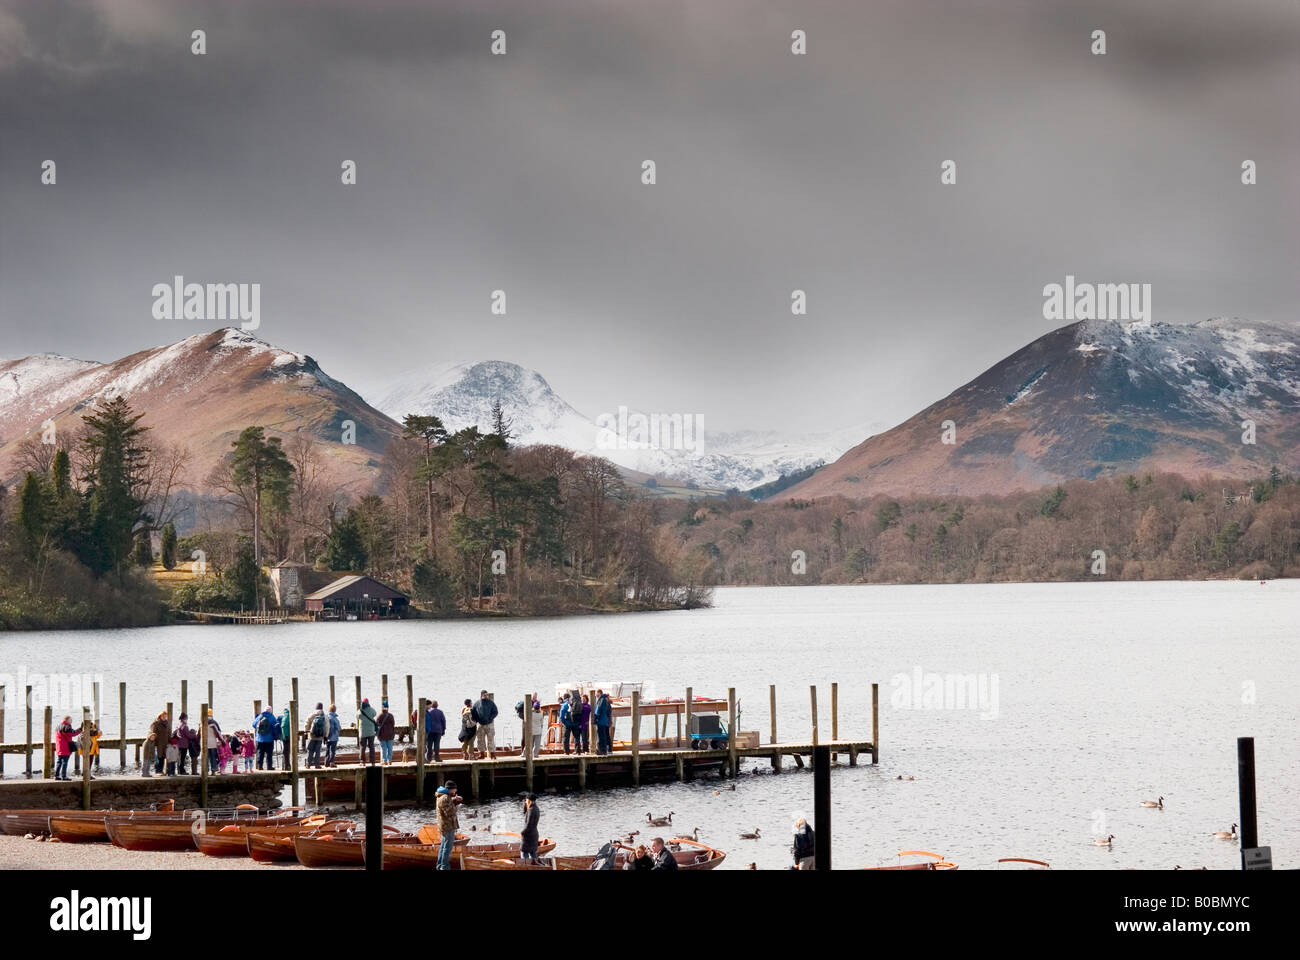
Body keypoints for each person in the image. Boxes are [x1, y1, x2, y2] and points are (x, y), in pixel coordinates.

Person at [435, 780, 463, 870]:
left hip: (444, 826)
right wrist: (457, 805)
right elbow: (450, 813)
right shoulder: (445, 798)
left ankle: (439, 866)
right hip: (448, 826)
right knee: (447, 848)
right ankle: (444, 867)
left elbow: (446, 806)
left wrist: (454, 800)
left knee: (443, 846)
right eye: (455, 789)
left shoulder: (441, 796)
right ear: (450, 789)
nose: (455, 791)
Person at [471, 690, 497, 760]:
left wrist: (490, 718)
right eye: (484, 695)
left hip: (489, 724)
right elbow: (473, 713)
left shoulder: (491, 703)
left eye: (487, 695)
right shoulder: (477, 703)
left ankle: (492, 754)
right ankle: (481, 754)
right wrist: (477, 719)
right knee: (480, 740)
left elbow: (495, 712)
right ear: (481, 695)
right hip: (480, 725)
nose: (486, 696)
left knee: (491, 739)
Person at [252, 705, 277, 770]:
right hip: (269, 739)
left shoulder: (260, 716)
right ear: (271, 711)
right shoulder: (272, 717)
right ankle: (269, 767)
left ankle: (260, 766)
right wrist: (275, 736)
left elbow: (254, 725)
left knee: (260, 753)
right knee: (269, 754)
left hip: (260, 739)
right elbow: (275, 727)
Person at [520, 794, 541, 861]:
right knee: (533, 854)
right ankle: (536, 867)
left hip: (528, 836)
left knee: (524, 853)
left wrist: (522, 832)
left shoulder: (531, 810)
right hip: (534, 835)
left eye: (526, 800)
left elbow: (529, 825)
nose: (525, 802)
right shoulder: (536, 808)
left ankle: (526, 867)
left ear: (529, 800)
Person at [306, 702, 327, 768]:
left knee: (310, 750)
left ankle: (308, 765)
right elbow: (327, 727)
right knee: (318, 751)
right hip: (320, 737)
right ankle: (317, 765)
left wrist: (306, 731)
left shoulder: (312, 715)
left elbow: (307, 723)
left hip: (312, 736)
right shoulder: (324, 716)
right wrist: (325, 736)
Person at [357, 697, 378, 765]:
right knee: (371, 747)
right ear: (368, 703)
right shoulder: (371, 709)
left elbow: (357, 716)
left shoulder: (360, 711)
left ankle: (362, 761)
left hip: (362, 733)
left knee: (362, 747)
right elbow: (375, 713)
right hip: (371, 732)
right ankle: (372, 762)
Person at [54, 715, 75, 780]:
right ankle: (64, 776)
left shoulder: (58, 726)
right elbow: (73, 734)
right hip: (65, 747)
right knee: (65, 762)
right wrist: (80, 729)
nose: (71, 721)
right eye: (70, 720)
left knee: (59, 762)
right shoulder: (66, 727)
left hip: (59, 747)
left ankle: (56, 776)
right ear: (67, 720)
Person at [376, 700, 396, 764]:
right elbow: (393, 724)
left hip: (382, 735)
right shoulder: (390, 715)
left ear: (382, 707)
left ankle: (384, 761)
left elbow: (376, 725)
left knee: (383, 748)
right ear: (388, 707)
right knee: (390, 748)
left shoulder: (379, 716)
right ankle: (389, 760)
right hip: (390, 734)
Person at [593, 690, 612, 755]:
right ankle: (606, 750)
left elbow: (598, 709)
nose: (595, 694)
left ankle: (602, 750)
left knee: (601, 736)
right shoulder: (606, 700)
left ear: (599, 693)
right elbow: (608, 712)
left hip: (601, 720)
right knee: (604, 735)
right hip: (605, 720)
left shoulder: (601, 699)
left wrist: (595, 718)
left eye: (596, 693)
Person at [278, 705, 292, 771]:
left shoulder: (283, 716)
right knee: (287, 751)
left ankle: (286, 765)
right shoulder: (289, 716)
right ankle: (287, 765)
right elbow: (284, 726)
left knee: (285, 751)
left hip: (283, 737)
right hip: (288, 736)